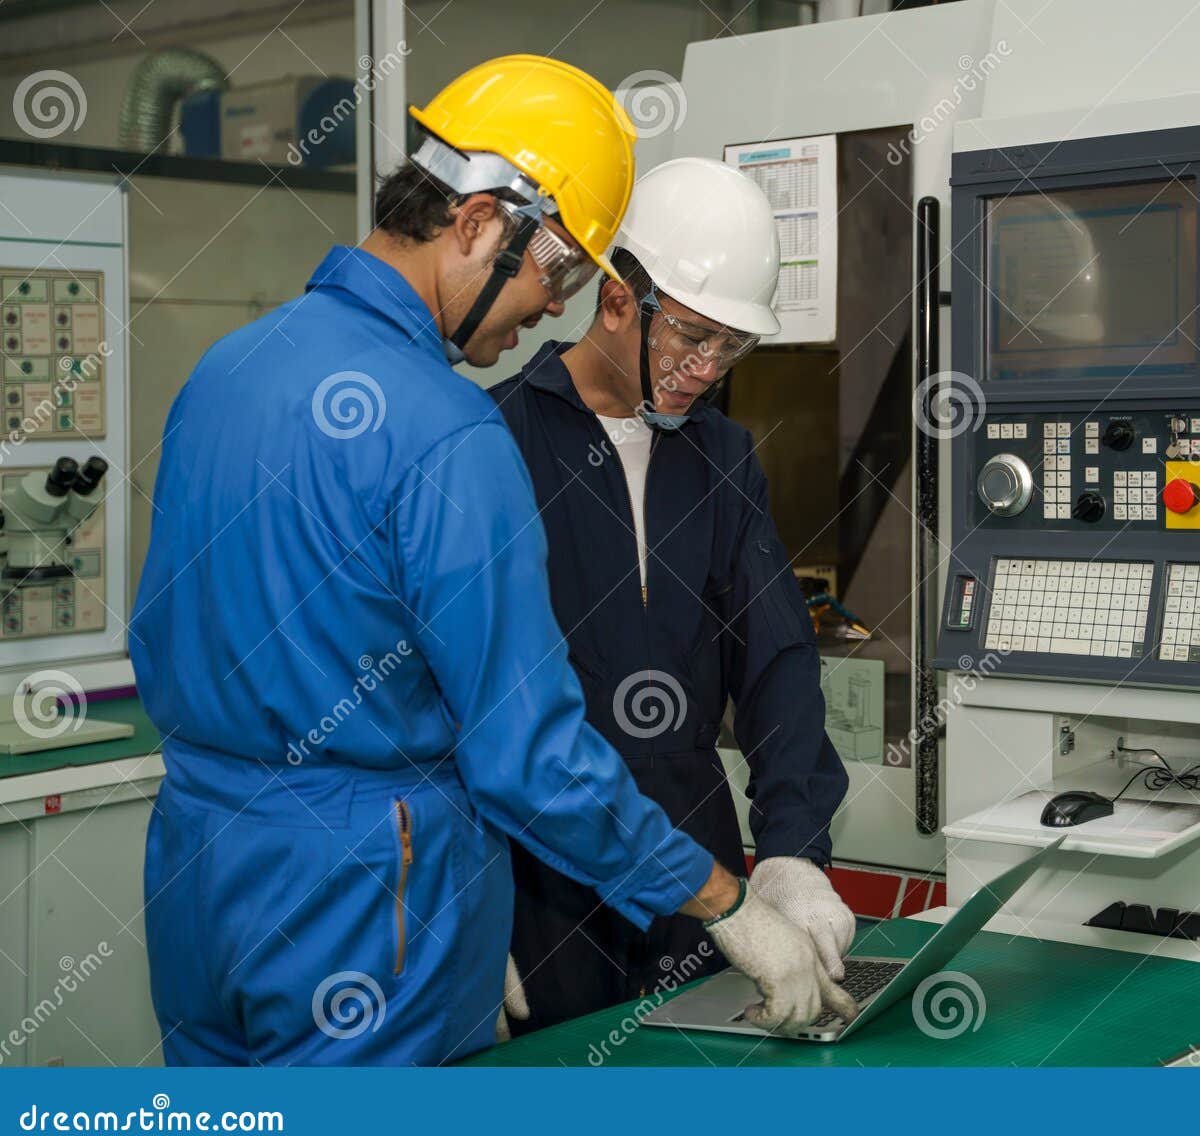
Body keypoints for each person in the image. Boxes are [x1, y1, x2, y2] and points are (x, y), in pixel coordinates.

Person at [130, 57, 853, 1066]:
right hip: (369, 887)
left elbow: (166, 627)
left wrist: (787, 847)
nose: (549, 309)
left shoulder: (228, 368)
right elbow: (528, 753)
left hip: (201, 866)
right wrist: (723, 901)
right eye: (553, 272)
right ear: (476, 221)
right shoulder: (455, 430)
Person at [489, 158, 854, 1034]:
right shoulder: (496, 438)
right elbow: (443, 693)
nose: (707, 367)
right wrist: (455, 896)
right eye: (692, 335)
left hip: (704, 874)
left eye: (732, 346)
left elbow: (777, 661)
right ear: (618, 297)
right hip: (542, 875)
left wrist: (796, 853)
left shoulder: (723, 458)